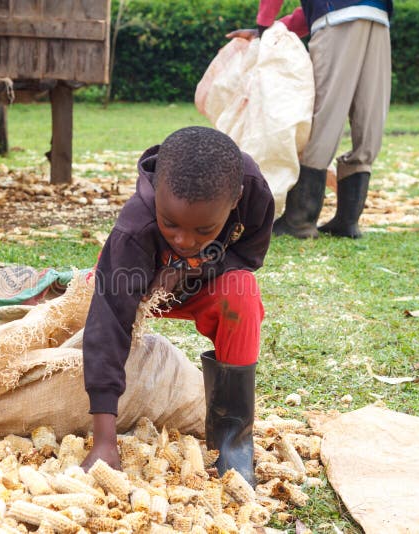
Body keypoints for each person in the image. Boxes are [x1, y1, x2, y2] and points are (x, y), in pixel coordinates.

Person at [80, 126, 275, 485]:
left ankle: (234, 442)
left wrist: (190, 267)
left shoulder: (254, 193)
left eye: (204, 230)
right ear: (156, 196)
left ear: (235, 201)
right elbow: (109, 324)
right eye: (170, 224)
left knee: (242, 292)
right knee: (98, 303)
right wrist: (104, 442)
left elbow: (248, 254)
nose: (185, 239)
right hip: (136, 282)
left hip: (202, 284)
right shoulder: (134, 230)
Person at [227, 0, 393, 238]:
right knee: (369, 116)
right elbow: (309, 13)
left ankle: (299, 221)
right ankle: (348, 220)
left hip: (337, 18)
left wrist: (264, 25)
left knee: (324, 116)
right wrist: (278, 27)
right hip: (377, 16)